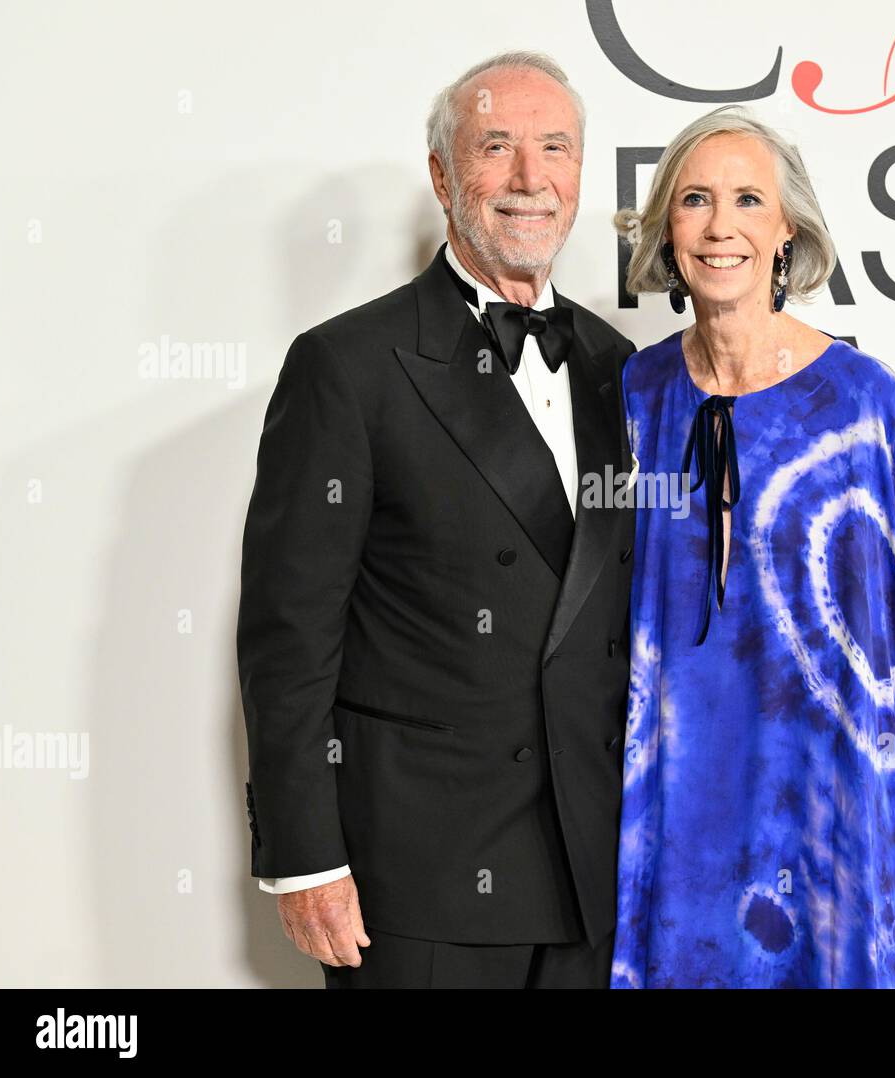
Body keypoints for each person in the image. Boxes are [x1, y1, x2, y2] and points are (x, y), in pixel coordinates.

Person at [237, 50, 637, 989]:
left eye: (556, 149)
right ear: (443, 176)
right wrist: (306, 856)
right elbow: (288, 634)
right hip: (417, 879)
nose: (531, 179)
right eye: (497, 147)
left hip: (599, 867)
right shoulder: (348, 366)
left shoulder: (622, 370)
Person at [609, 105, 895, 988]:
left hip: (835, 796)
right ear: (668, 230)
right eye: (695, 200)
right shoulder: (638, 391)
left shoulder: (862, 400)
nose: (720, 224)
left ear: (786, 232)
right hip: (680, 798)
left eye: (746, 200)